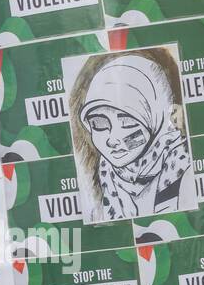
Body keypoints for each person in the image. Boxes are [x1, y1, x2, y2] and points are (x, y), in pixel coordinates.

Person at [70, 52, 194, 221]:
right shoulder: (104, 180)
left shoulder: (185, 171)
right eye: (99, 123)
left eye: (128, 121)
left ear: (156, 117)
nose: (112, 140)